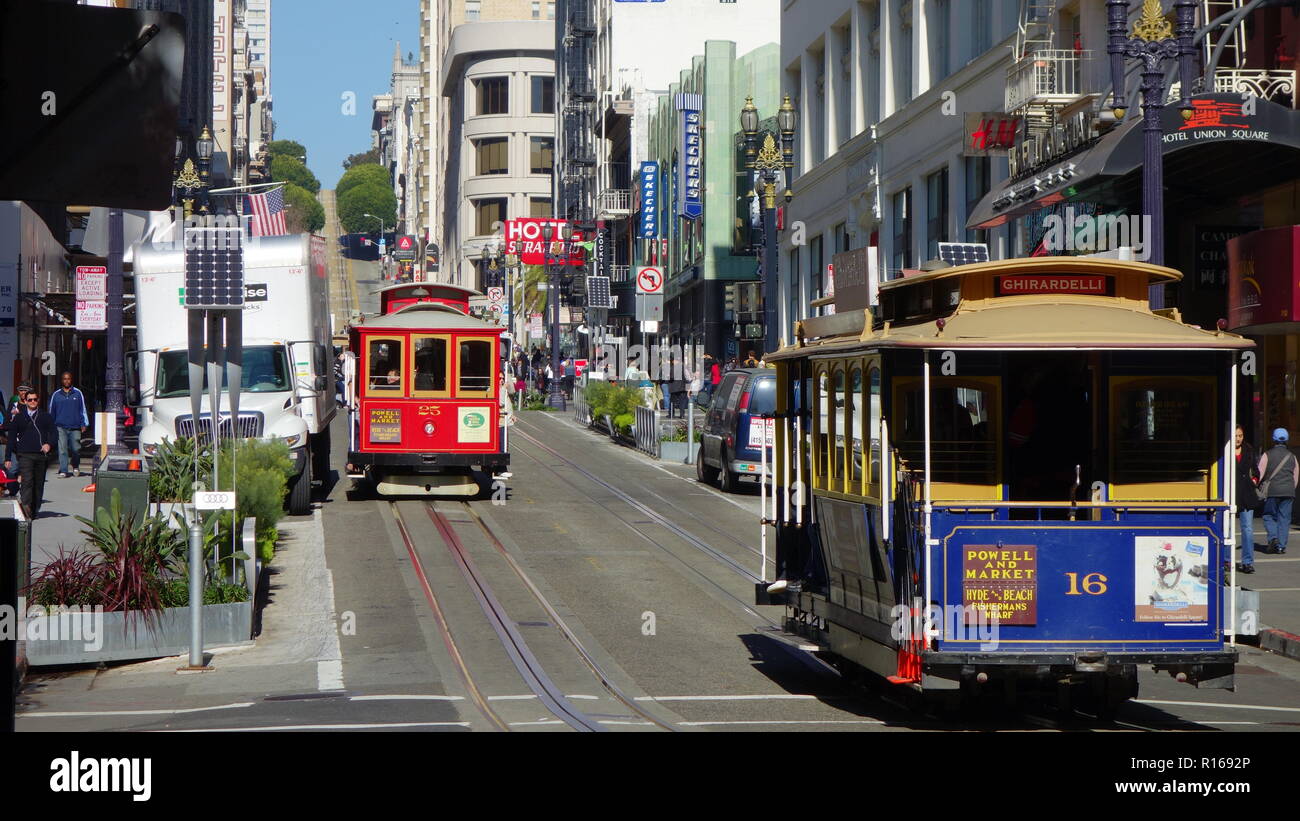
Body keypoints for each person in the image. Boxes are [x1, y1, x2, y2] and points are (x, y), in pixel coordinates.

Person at [4, 389, 56, 518]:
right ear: (25, 401)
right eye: (30, 400)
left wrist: (49, 444)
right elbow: (11, 438)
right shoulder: (19, 417)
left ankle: (34, 508)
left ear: (38, 401)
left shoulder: (45, 416)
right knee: (27, 481)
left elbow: (54, 433)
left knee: (38, 483)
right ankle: (26, 507)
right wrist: (8, 457)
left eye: (35, 399)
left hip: (40, 455)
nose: (33, 402)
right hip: (24, 454)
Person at [1258, 427, 1298, 555]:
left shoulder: (1267, 455)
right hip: (1288, 491)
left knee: (1269, 515)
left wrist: (1257, 486)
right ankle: (1281, 546)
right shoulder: (1292, 457)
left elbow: (1259, 473)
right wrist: (1291, 487)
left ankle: (1273, 538)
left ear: (1273, 439)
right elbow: (1295, 476)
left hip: (1272, 491)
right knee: (1284, 519)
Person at [48, 371, 89, 478]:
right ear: (62, 380)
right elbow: (52, 411)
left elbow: (82, 409)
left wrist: (84, 423)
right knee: (62, 449)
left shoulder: (78, 393)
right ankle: (63, 470)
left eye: (69, 379)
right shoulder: (56, 395)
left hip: (75, 426)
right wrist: (50, 426)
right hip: (60, 426)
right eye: (64, 379)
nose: (67, 381)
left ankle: (75, 466)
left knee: (76, 448)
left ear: (71, 380)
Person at [1235, 425, 1262, 573]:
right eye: (1235, 435)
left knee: (1247, 528)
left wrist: (1255, 480)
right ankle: (1226, 561)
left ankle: (1247, 562)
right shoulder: (1225, 451)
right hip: (1231, 493)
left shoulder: (1248, 450)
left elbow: (1256, 470)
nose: (1238, 439)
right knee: (1228, 528)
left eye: (1240, 435)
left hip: (1246, 493)